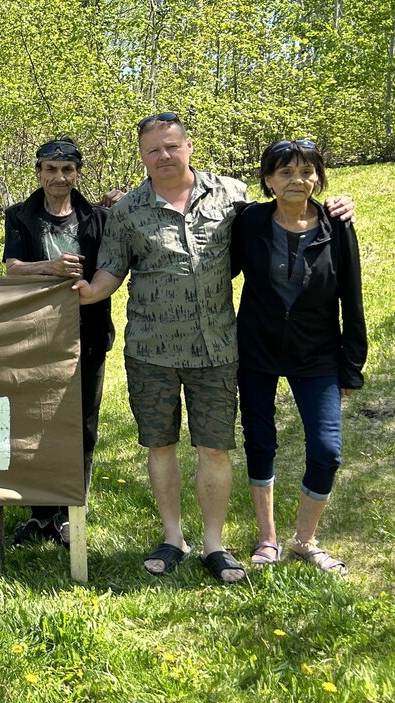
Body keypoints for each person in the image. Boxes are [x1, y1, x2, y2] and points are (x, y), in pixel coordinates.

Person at [74, 112, 354, 583]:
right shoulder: (126, 212)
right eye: (153, 150)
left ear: (188, 146)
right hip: (151, 352)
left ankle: (214, 544)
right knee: (160, 446)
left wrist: (334, 206)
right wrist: (82, 292)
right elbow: (110, 272)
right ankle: (171, 537)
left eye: (172, 146)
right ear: (142, 156)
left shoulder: (233, 196)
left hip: (219, 349)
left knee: (215, 449)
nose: (164, 155)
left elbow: (291, 211)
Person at [231, 139, 365, 575]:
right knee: (261, 441)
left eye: (306, 172)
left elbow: (352, 295)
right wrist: (117, 202)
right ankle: (267, 538)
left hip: (318, 354)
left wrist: (352, 364)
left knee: (327, 451)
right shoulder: (249, 220)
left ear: (318, 177)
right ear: (268, 180)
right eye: (285, 172)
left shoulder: (336, 225)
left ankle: (306, 540)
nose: (297, 181)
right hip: (257, 349)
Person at [2, 137, 113, 546]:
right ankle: (40, 513)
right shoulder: (19, 215)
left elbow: (113, 268)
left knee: (82, 424)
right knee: (36, 421)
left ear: (77, 173)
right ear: (39, 172)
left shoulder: (97, 218)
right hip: (35, 336)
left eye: (67, 170)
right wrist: (50, 267)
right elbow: (13, 269)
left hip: (88, 335)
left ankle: (71, 513)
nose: (59, 178)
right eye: (51, 170)